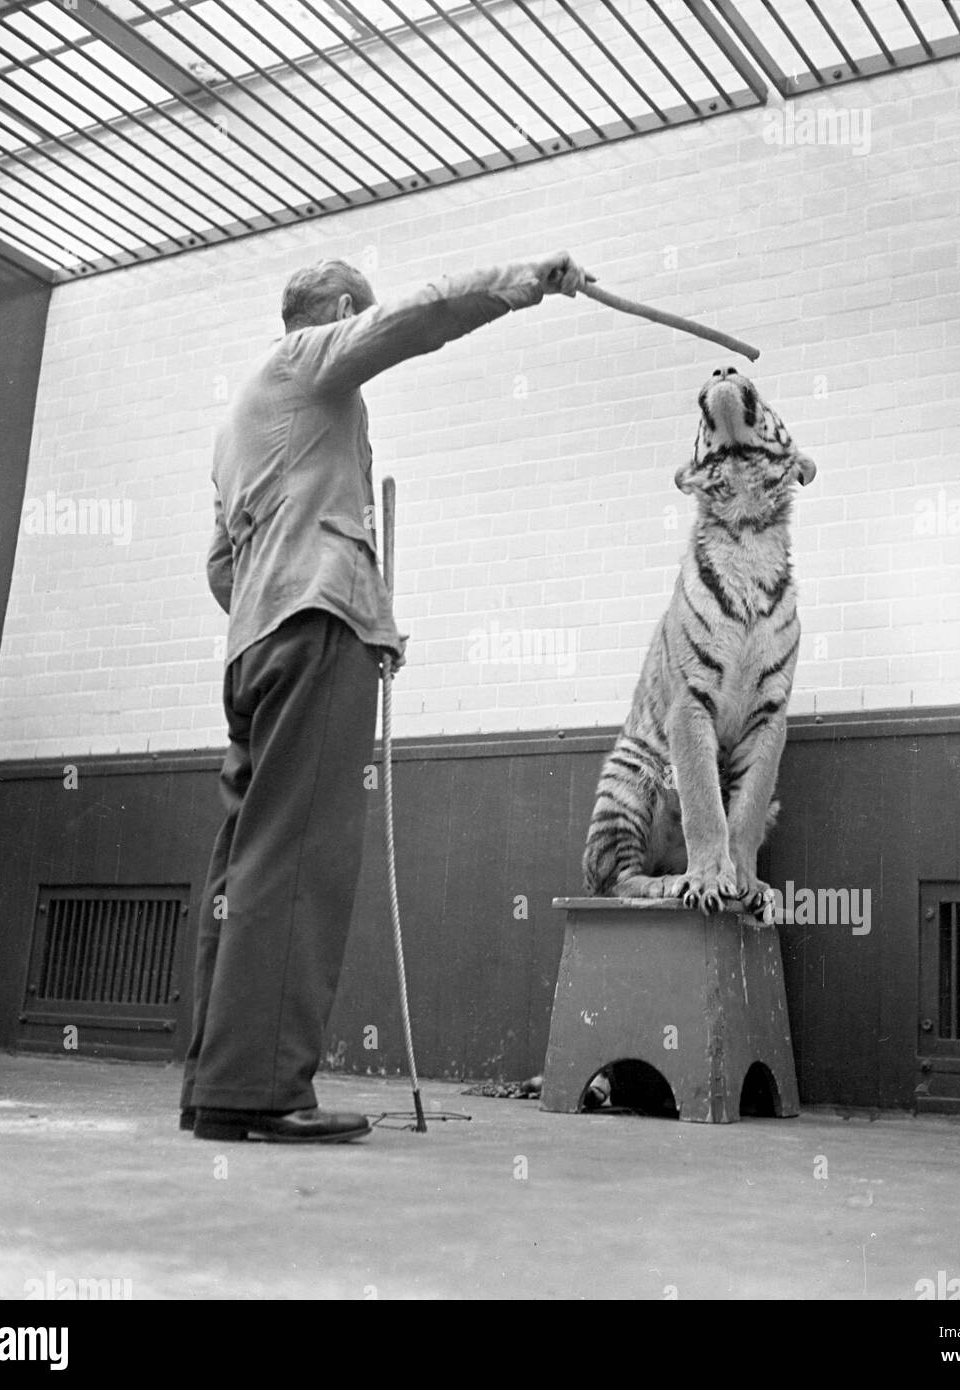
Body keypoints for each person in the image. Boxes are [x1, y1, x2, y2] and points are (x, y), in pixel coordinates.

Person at [181, 251, 591, 1142]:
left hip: (254, 646)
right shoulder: (307, 360)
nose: (356, 325)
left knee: (240, 868)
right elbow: (415, 316)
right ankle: (262, 1095)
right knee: (297, 865)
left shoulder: (234, 425)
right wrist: (524, 280)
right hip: (315, 631)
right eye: (350, 312)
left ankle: (214, 1087)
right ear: (331, 308)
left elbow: (221, 566)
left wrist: (315, 605)